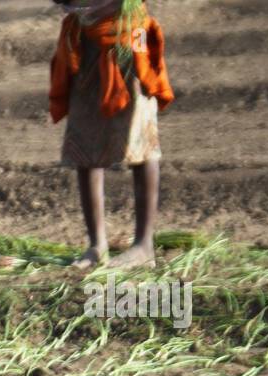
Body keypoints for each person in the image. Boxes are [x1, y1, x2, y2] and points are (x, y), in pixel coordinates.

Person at [50, 0, 175, 268]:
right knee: (85, 142)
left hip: (129, 34)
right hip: (86, 37)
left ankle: (144, 246)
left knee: (140, 140)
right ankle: (97, 246)